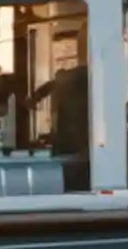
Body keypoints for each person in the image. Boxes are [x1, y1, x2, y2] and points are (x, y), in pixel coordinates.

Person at [24, 25, 90, 157]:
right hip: (85, 152)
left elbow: (40, 94)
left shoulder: (62, 79)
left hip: (66, 152)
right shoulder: (94, 80)